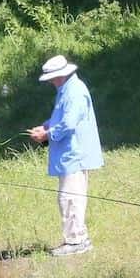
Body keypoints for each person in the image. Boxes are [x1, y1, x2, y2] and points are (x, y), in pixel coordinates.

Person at [28, 54, 104, 256]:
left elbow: (69, 124)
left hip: (75, 154)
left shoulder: (74, 92)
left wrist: (46, 134)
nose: (51, 82)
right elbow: (61, 118)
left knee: (70, 198)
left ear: (62, 74)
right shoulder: (66, 89)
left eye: (53, 78)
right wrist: (46, 126)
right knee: (68, 197)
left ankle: (76, 241)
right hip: (68, 153)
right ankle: (78, 238)